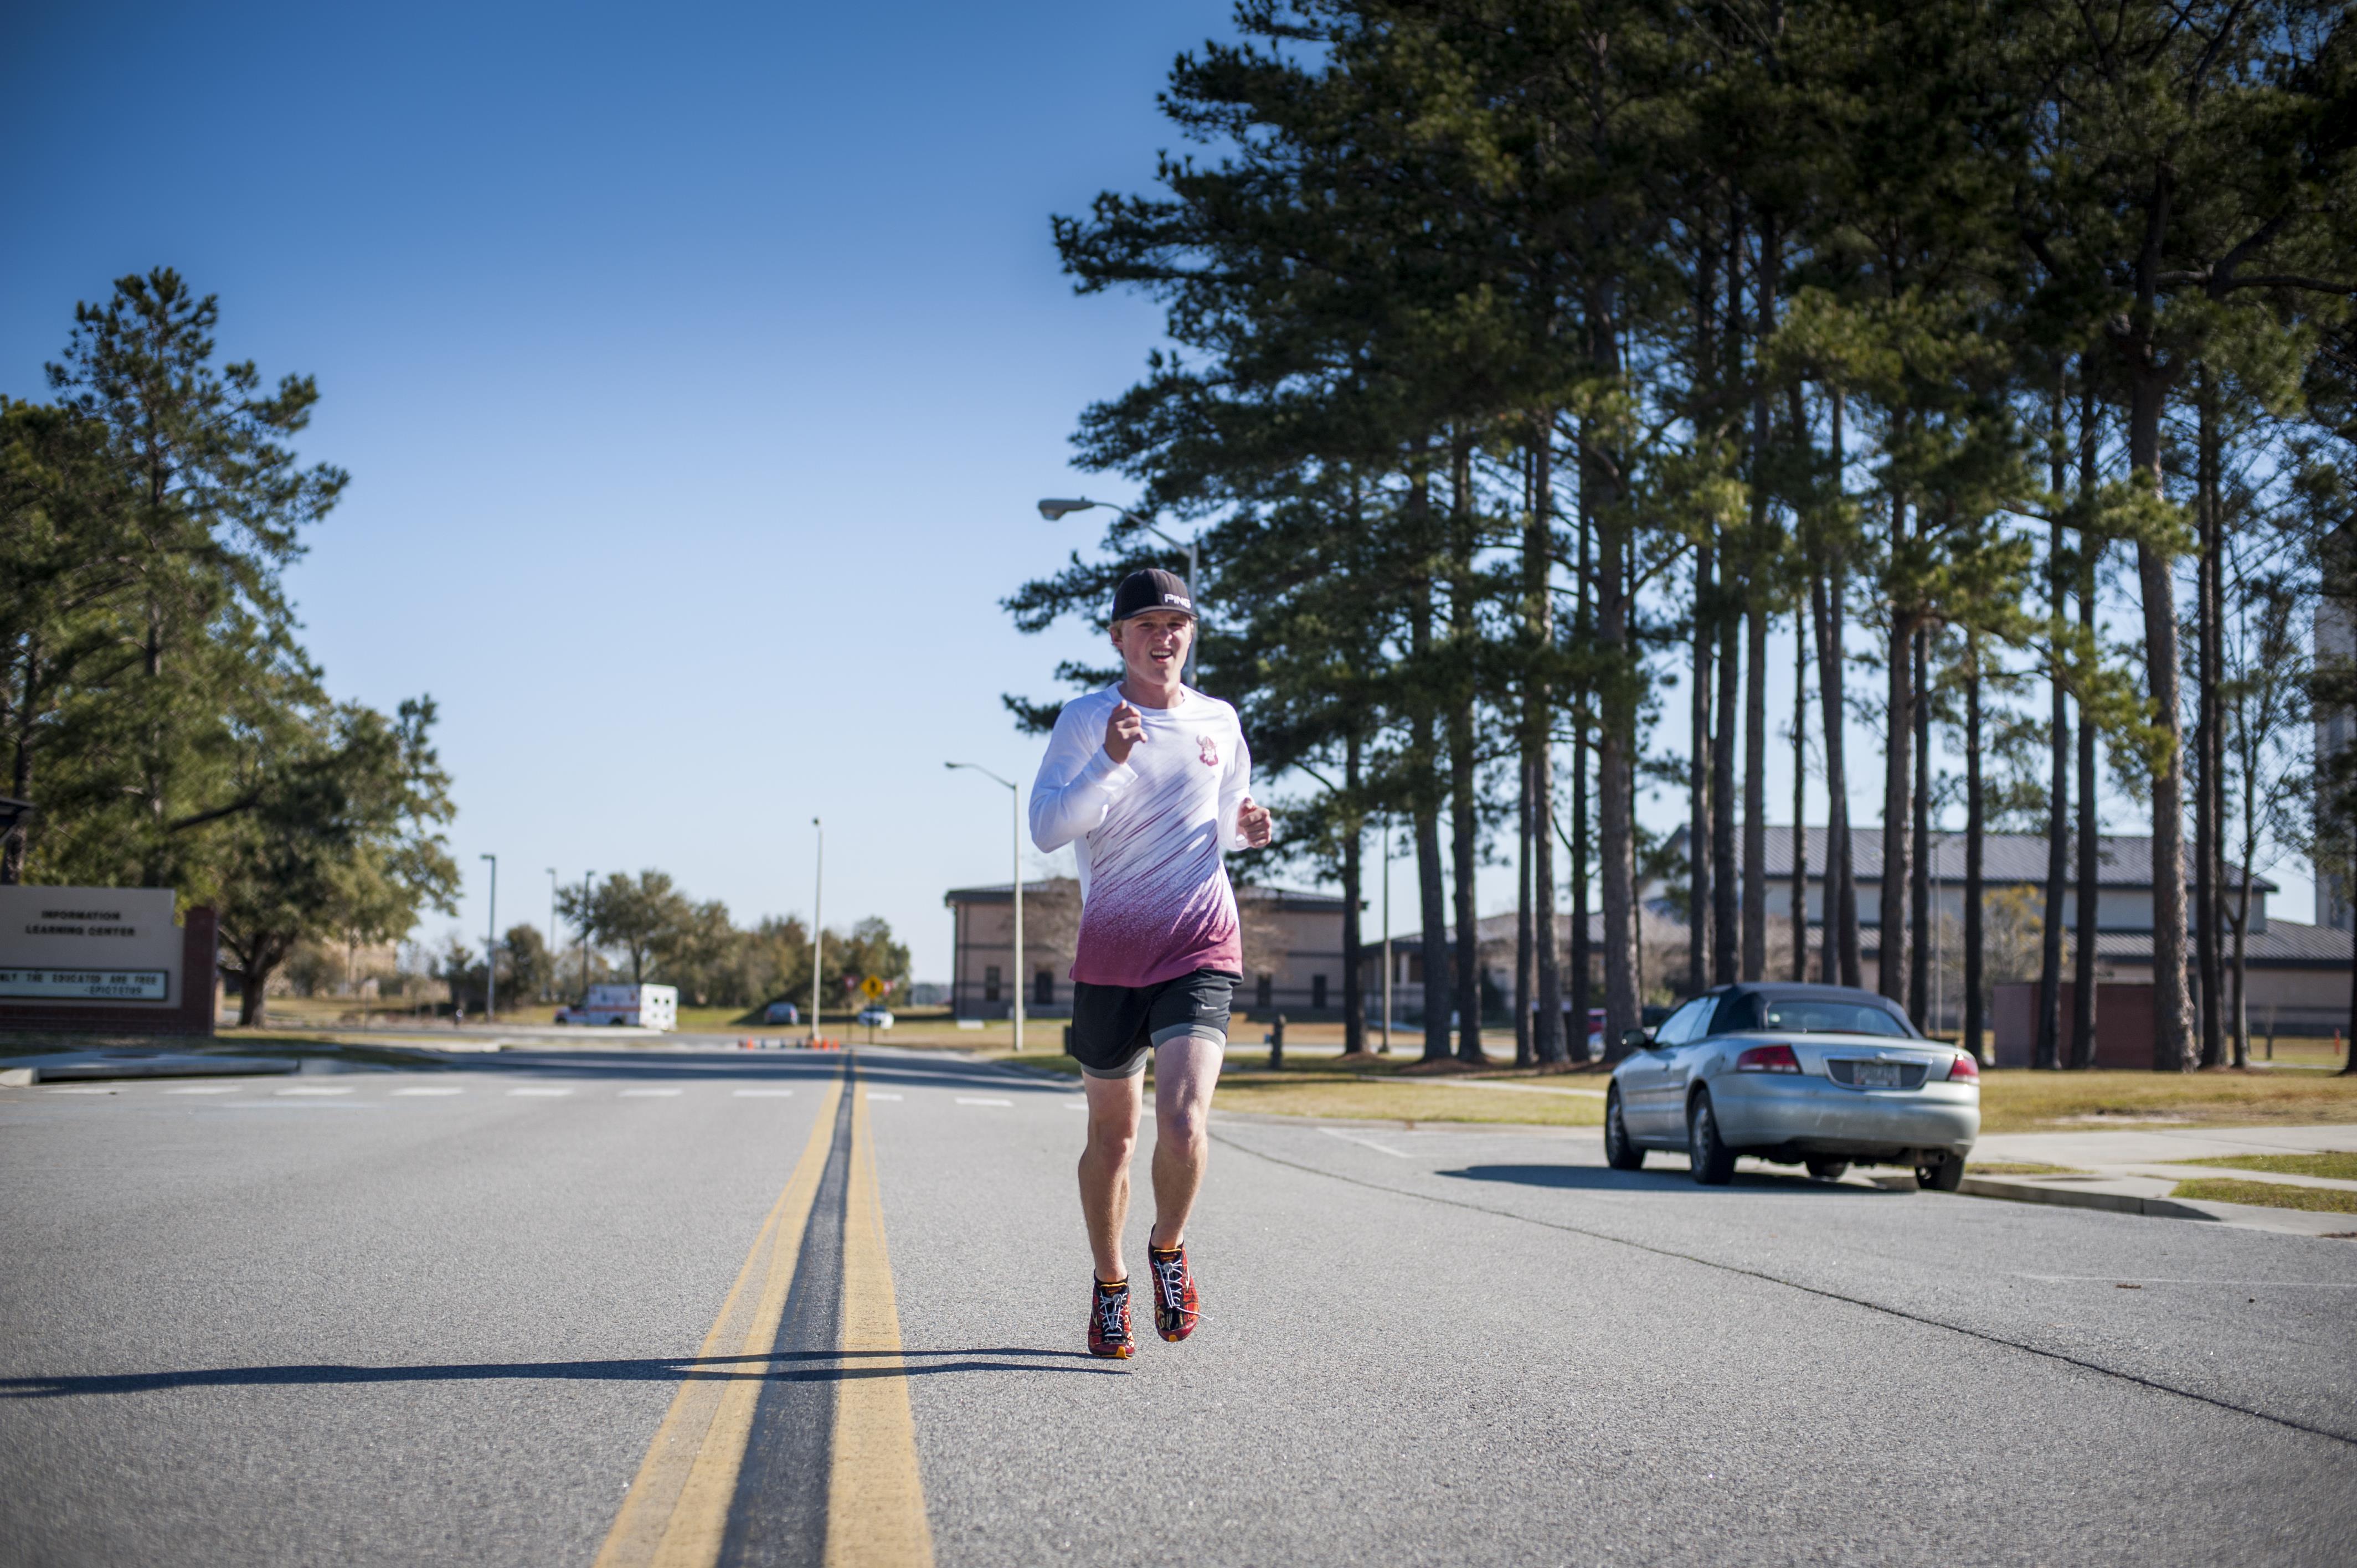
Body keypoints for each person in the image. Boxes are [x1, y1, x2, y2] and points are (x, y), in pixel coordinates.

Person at [1029, 568, 1272, 1359]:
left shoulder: (1220, 721)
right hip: (1111, 950)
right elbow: (1046, 829)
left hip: (1200, 940)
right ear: (1117, 638)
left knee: (1183, 1119)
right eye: (1146, 627)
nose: (1163, 639)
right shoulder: (1087, 719)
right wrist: (1106, 760)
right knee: (1114, 1140)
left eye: (1176, 626)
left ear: (1190, 635)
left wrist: (1250, 827)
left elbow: (1227, 822)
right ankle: (1109, 1285)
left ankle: (1168, 1249)